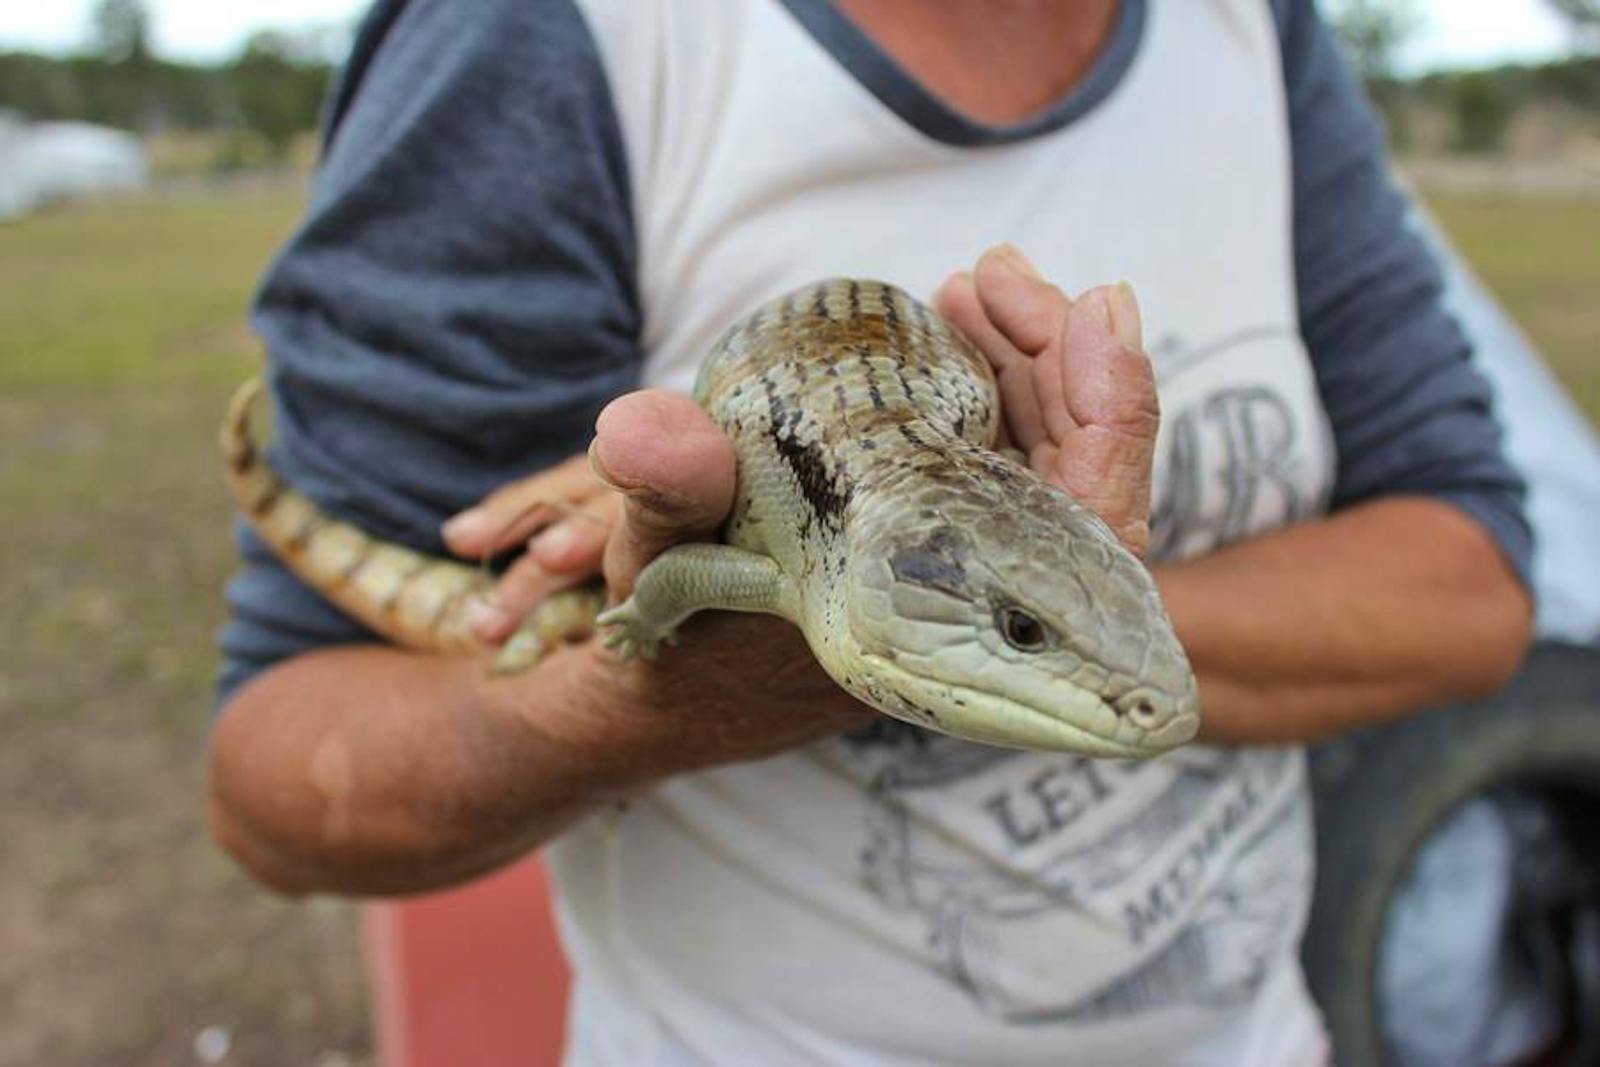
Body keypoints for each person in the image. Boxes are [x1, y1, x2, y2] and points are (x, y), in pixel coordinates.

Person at [209, 1, 1534, 1063]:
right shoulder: (544, 35)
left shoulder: (1255, 29)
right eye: (1021, 627)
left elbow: (1474, 583)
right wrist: (656, 695)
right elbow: (272, 792)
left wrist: (1069, 576)